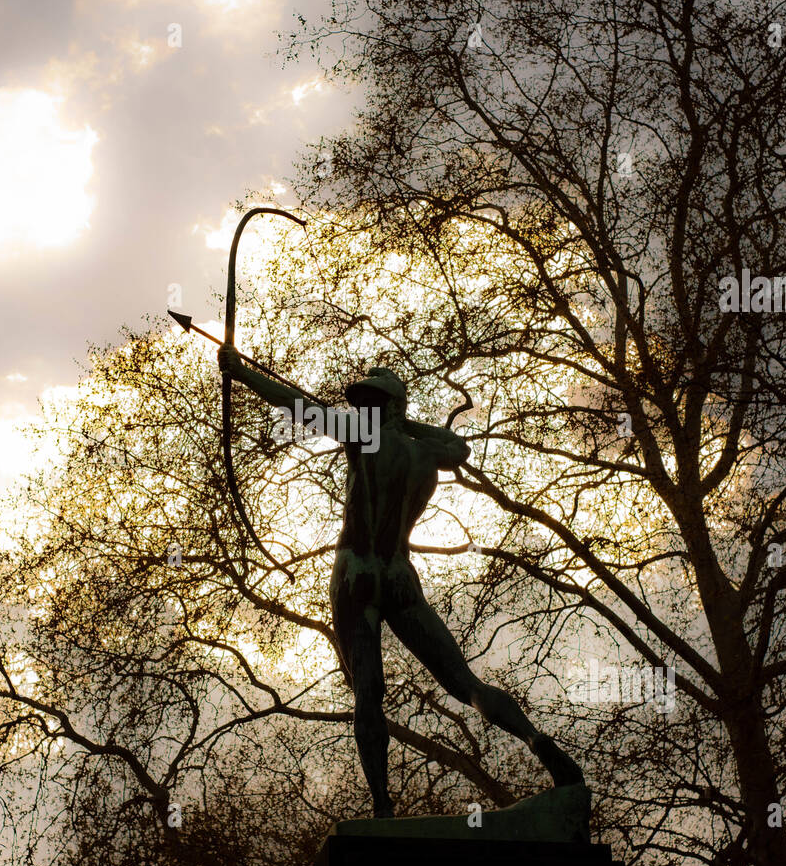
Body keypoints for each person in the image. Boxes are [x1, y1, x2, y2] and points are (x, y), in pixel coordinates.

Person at [218, 345, 585, 817]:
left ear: (386, 407)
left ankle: (382, 805)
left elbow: (297, 405)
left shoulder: (362, 436)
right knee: (464, 683)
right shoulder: (427, 453)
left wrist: (242, 373)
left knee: (368, 691)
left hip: (356, 575)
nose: (361, 409)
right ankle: (536, 740)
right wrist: (403, 421)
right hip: (399, 575)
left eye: (371, 402)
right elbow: (459, 447)